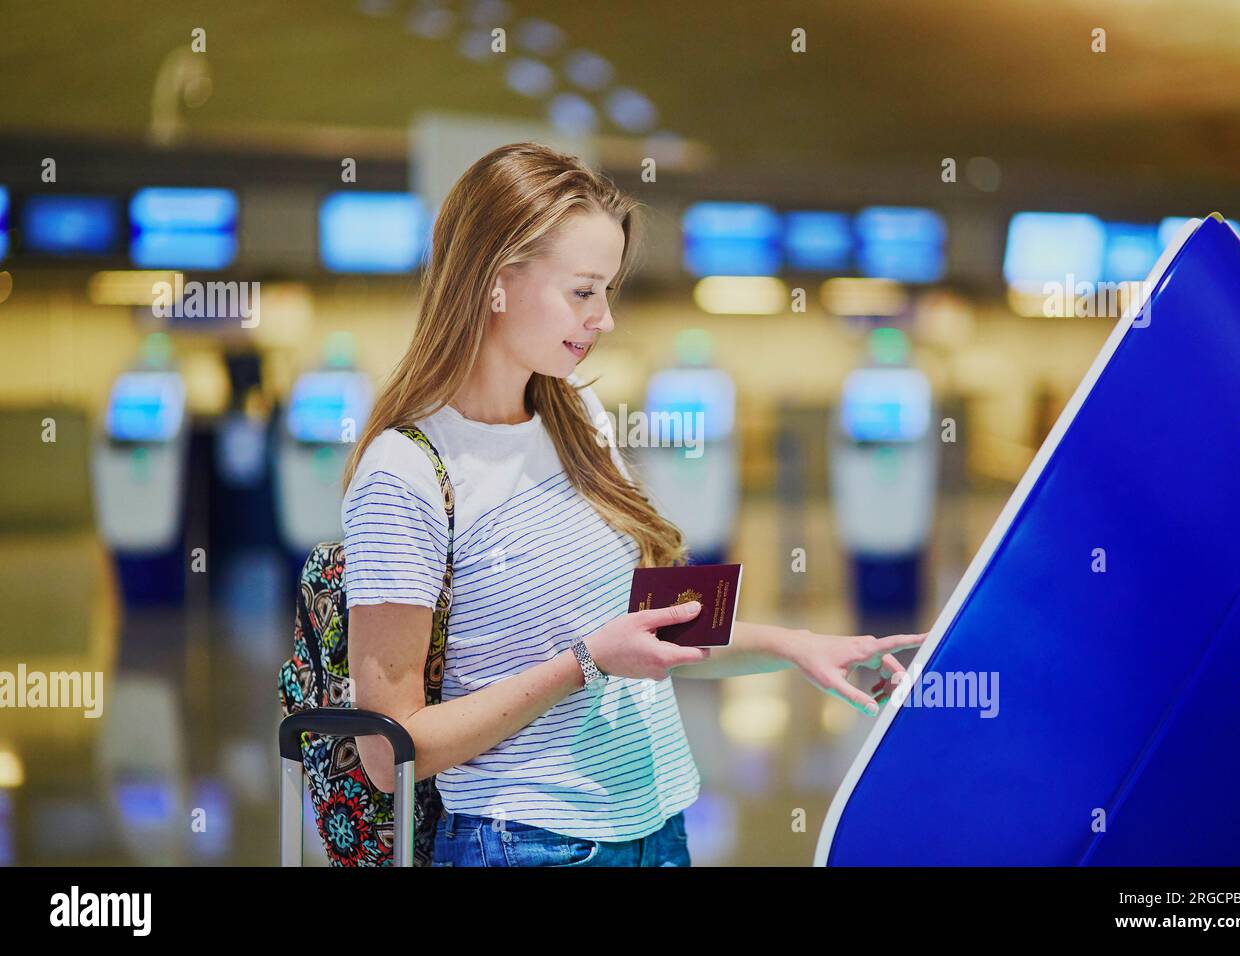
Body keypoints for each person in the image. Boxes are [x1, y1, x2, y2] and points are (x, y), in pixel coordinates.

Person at [340, 141, 927, 867]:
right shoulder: (405, 473)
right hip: (528, 843)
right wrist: (582, 663)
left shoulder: (579, 420)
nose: (604, 319)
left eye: (608, 291)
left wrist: (795, 647)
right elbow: (385, 747)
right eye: (583, 291)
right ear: (496, 281)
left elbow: (646, 644)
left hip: (659, 825)